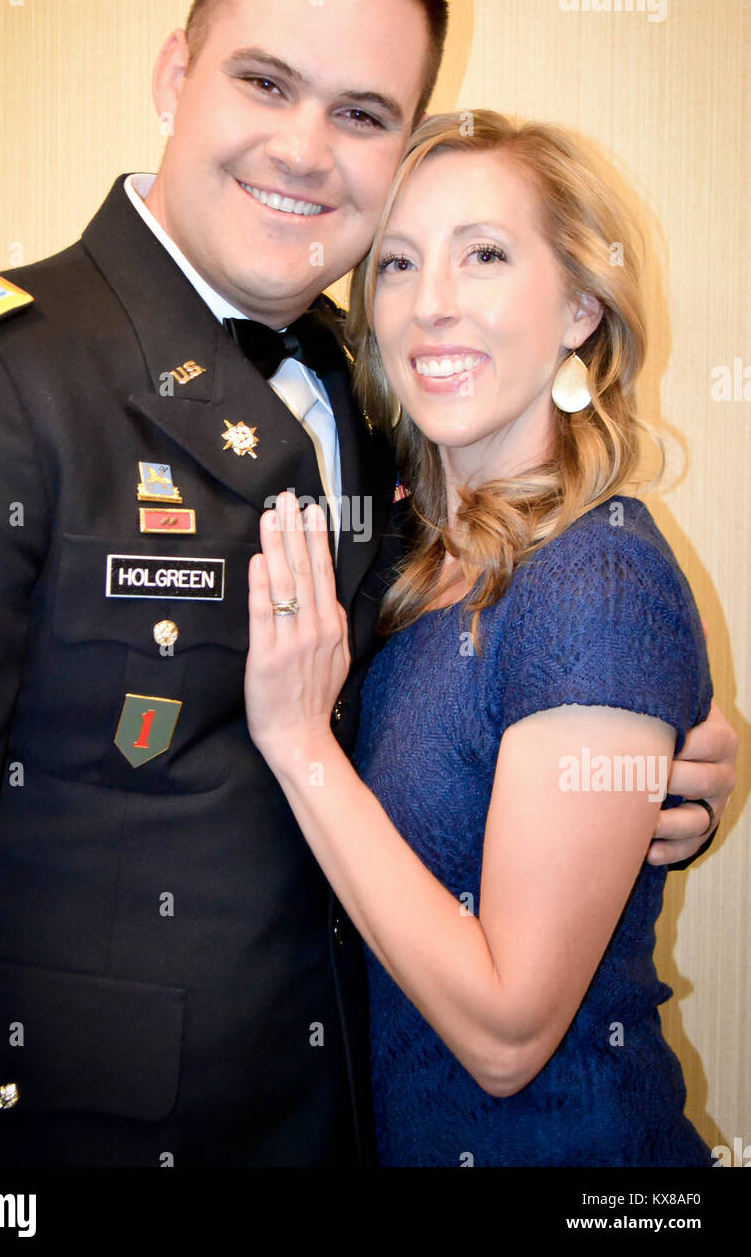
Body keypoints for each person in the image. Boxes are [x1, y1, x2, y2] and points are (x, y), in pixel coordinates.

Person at [0, 0, 733, 1169]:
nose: (304, 148)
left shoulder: (389, 389)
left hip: (361, 1123)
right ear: (176, 74)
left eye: (361, 113)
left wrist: (656, 766)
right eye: (265, 81)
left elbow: (486, 667)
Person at [244, 109, 730, 1167]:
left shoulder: (595, 583)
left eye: (486, 255)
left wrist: (298, 745)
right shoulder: (415, 559)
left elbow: (507, 1033)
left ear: (578, 308)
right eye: (399, 264)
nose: (431, 306)